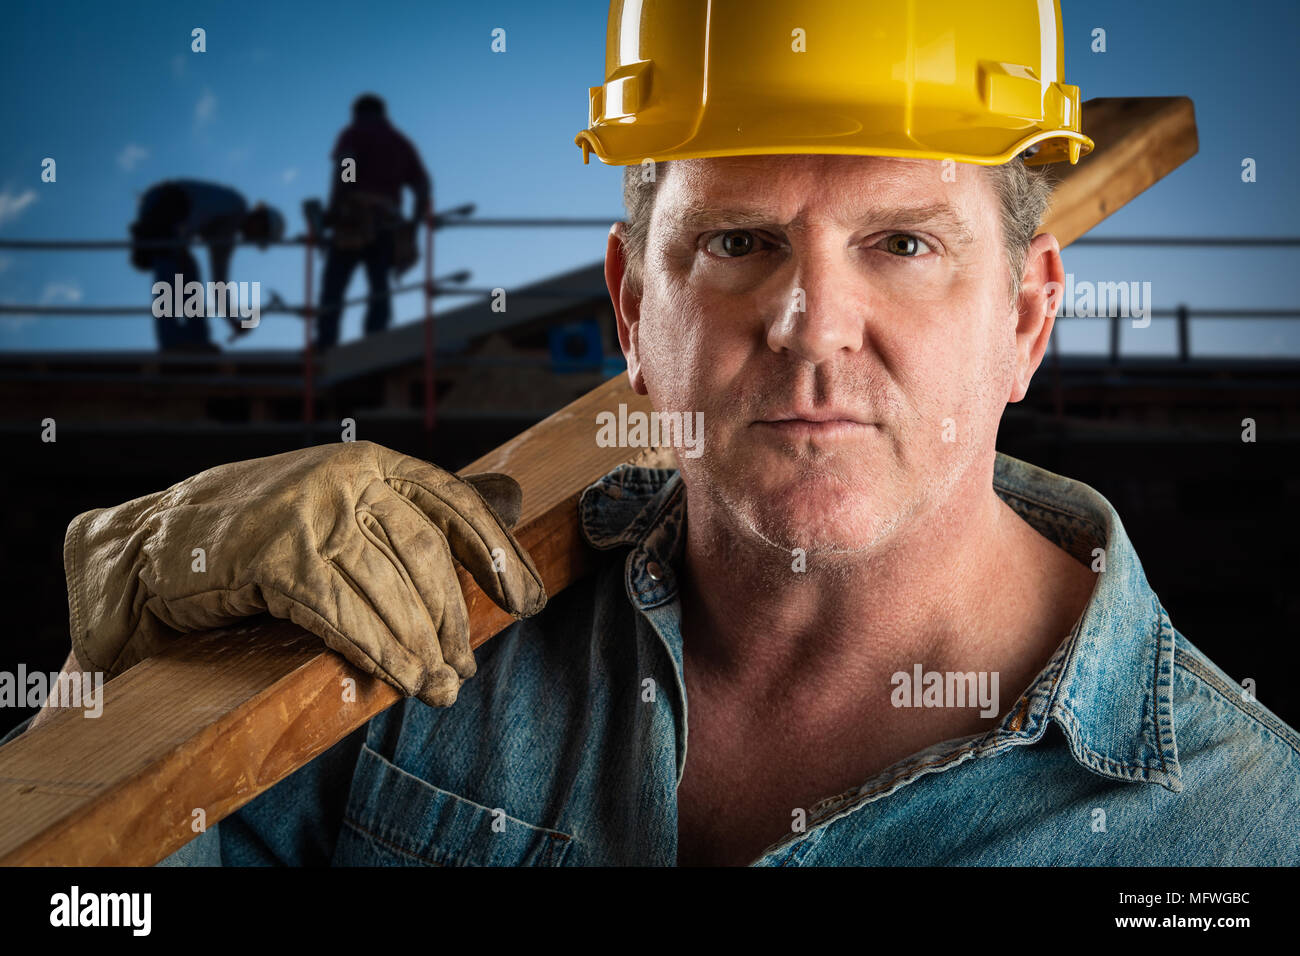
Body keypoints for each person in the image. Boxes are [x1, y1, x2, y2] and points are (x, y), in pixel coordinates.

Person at [9, 0, 1297, 865]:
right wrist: (133, 647)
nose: (808, 325)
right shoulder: (404, 652)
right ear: (632, 305)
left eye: (901, 244)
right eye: (738, 242)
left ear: (1026, 316)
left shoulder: (1237, 830)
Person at [315, 93, 431, 351]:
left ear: (358, 113)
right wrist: (413, 227)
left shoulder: (354, 133)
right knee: (379, 284)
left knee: (334, 285)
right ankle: (376, 341)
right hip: (388, 222)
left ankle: (325, 342)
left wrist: (335, 209)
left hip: (353, 219)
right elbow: (423, 187)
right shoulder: (401, 143)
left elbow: (347, 165)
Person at [130, 179, 285, 349]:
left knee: (185, 268)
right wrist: (178, 240)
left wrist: (232, 322)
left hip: (171, 218)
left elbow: (218, 284)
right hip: (164, 204)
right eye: (260, 236)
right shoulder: (235, 205)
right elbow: (196, 209)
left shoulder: (226, 237)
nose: (254, 241)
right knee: (171, 264)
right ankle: (173, 344)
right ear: (260, 221)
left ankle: (197, 341)